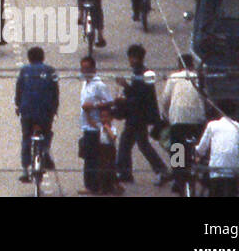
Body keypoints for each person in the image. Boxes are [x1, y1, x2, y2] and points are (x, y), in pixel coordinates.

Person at [114, 44, 168, 184]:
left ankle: (161, 171)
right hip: (138, 115)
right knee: (129, 143)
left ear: (135, 58)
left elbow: (140, 96)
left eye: (131, 58)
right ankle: (125, 172)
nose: (130, 60)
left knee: (137, 144)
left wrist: (125, 87)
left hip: (138, 116)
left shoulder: (141, 74)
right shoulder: (142, 72)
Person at [160, 54, 207, 192]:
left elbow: (165, 99)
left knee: (177, 149)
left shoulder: (174, 77)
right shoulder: (198, 77)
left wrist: (166, 115)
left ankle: (178, 179)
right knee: (195, 148)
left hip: (178, 119)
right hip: (197, 119)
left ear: (179, 66)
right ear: (192, 65)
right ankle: (195, 171)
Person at [15, 46, 59, 182]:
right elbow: (55, 92)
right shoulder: (51, 71)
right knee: (47, 132)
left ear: (29, 58)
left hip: (27, 110)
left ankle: (25, 170)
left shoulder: (24, 71)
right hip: (45, 111)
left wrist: (18, 105)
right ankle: (45, 151)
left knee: (26, 137)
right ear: (43, 58)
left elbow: (19, 91)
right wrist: (54, 109)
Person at [78, 56, 120, 195]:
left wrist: (93, 106)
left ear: (94, 69)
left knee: (93, 157)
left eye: (87, 69)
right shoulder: (86, 84)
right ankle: (92, 184)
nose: (85, 71)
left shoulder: (99, 85)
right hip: (87, 125)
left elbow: (109, 102)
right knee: (88, 156)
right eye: (83, 68)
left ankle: (93, 185)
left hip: (96, 127)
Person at [196, 109, 239, 197]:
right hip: (234, 169)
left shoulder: (212, 125)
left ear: (218, 112)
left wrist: (197, 153)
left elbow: (201, 148)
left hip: (216, 169)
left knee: (214, 190)